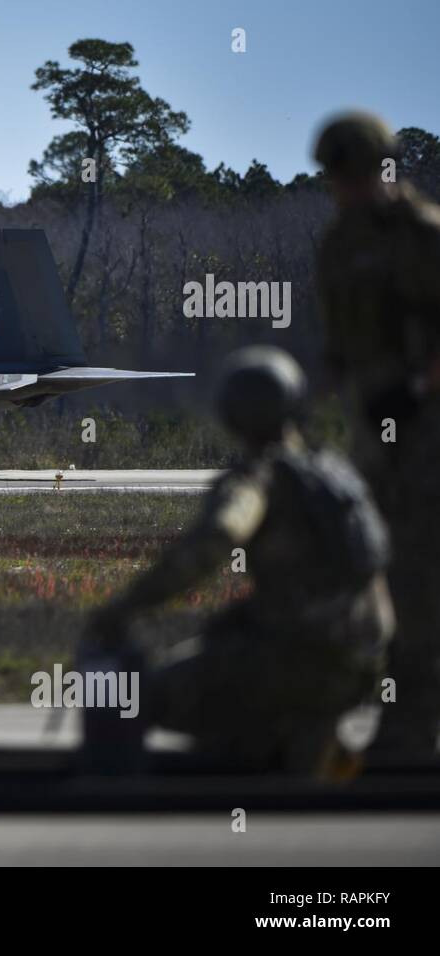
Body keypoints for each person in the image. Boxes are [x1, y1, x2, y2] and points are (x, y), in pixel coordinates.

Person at [88, 347, 394, 774]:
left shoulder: (260, 479)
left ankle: (121, 791)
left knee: (140, 693)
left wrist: (127, 606)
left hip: (300, 660)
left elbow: (218, 537)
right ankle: (286, 749)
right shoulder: (334, 473)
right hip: (363, 664)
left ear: (233, 414)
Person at [315, 111, 440, 762]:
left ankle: (414, 733)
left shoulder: (423, 236)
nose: (349, 188)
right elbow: (339, 344)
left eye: (358, 176)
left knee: (419, 583)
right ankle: (339, 721)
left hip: (428, 436)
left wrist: (418, 392)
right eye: (340, 178)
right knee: (361, 577)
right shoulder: (339, 242)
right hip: (373, 435)